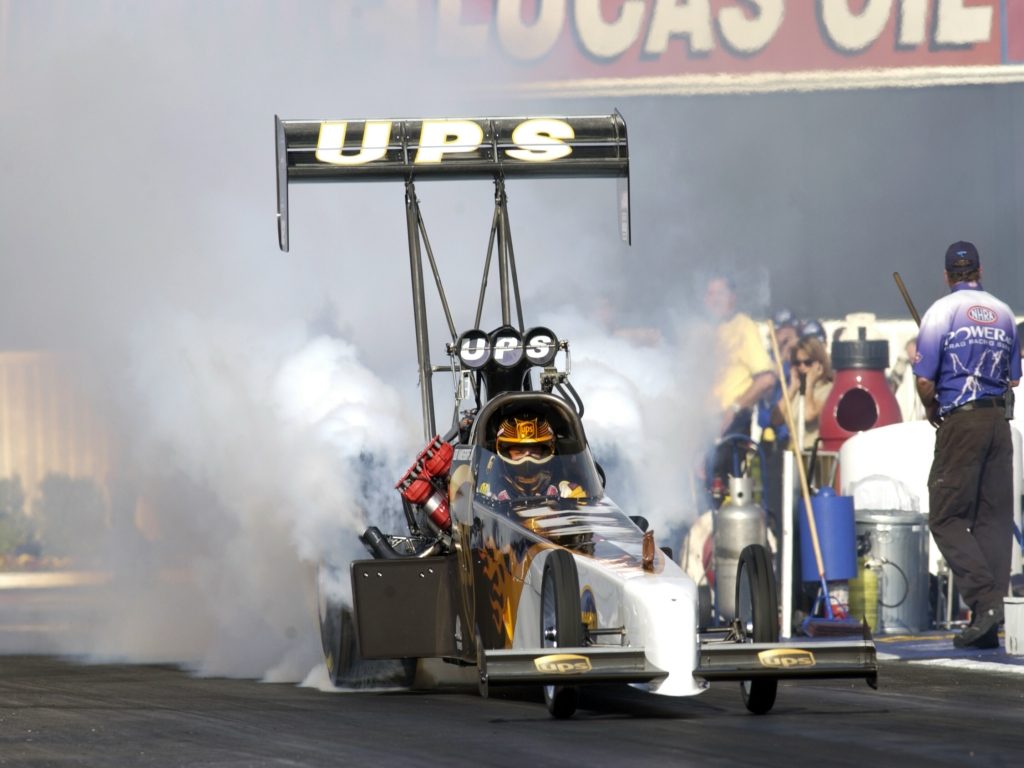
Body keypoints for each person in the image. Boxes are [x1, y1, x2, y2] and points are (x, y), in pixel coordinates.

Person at [913, 241, 1021, 649]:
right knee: (994, 520)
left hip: (962, 421)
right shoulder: (1004, 313)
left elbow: (925, 380)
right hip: (998, 423)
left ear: (947, 275)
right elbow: (1014, 378)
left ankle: (986, 603)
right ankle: (986, 622)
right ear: (980, 270)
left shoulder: (941, 312)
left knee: (946, 516)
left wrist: (931, 406)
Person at [704, 275, 776, 438]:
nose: (715, 300)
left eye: (720, 294)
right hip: (705, 422)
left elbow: (766, 379)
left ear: (732, 298)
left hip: (731, 423)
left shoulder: (743, 327)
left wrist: (734, 408)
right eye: (710, 294)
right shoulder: (709, 331)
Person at [477, 412, 587, 501]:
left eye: (534, 449)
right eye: (519, 451)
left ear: (545, 451)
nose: (527, 457)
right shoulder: (488, 493)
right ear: (505, 452)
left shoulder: (567, 492)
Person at [773, 336, 834, 451]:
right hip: (794, 451)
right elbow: (776, 419)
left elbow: (808, 415)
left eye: (807, 362)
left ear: (819, 364)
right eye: (797, 363)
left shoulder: (828, 390)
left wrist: (809, 384)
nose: (802, 367)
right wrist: (792, 388)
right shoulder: (796, 391)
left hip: (814, 452)